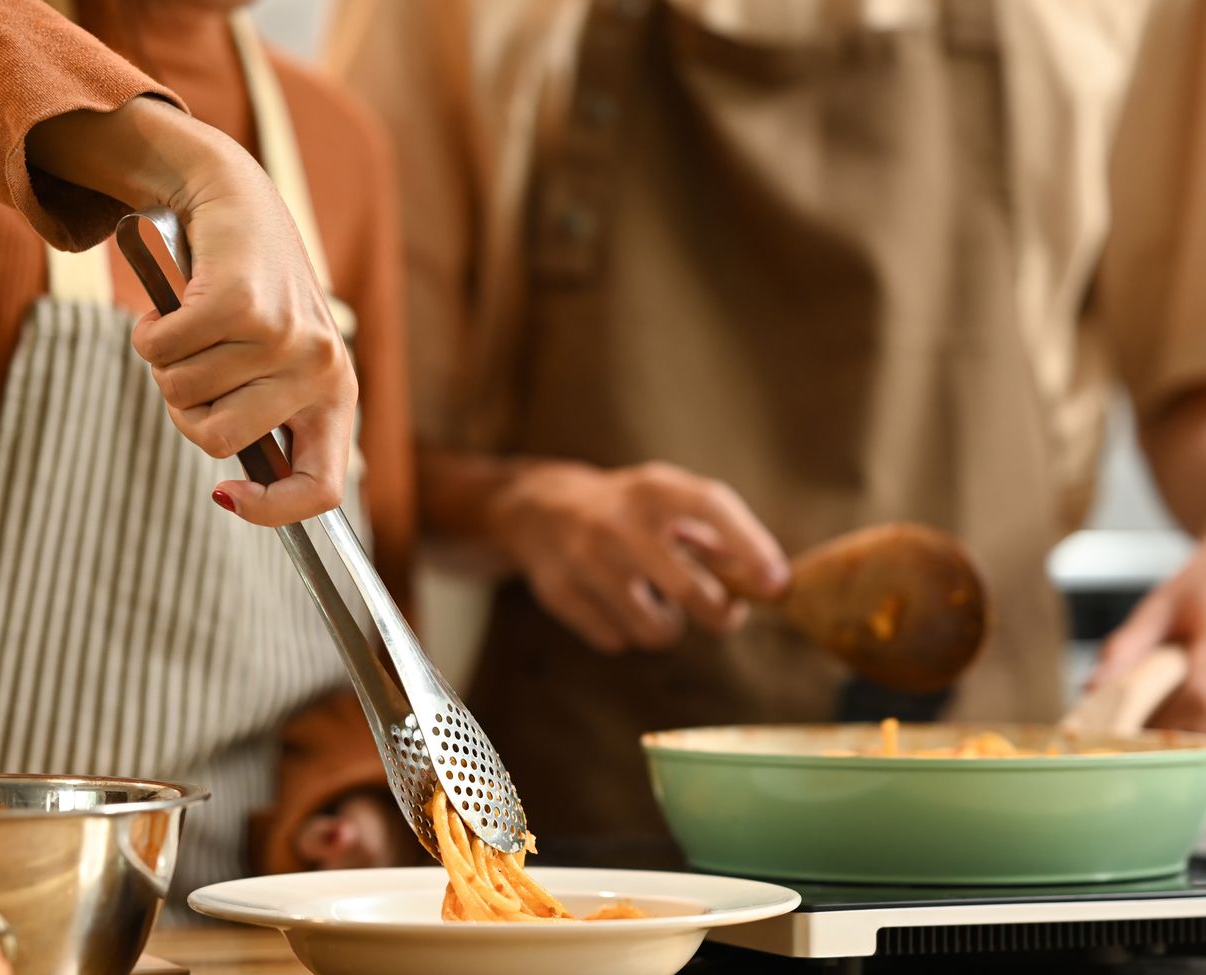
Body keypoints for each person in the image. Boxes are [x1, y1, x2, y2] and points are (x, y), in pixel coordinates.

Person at [331, 0, 1206, 857]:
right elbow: (355, 436)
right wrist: (524, 508)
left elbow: (1188, 379)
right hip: (602, 822)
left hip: (1001, 803)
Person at [0, 0, 419, 900]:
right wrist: (205, 169)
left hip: (239, 956)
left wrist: (342, 801)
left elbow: (372, 596)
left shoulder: (342, 148)